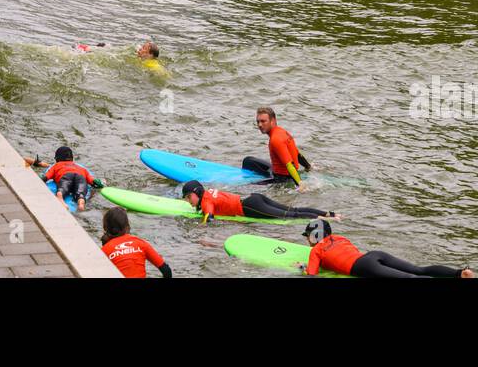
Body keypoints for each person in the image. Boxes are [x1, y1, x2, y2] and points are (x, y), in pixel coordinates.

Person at [299, 219, 472, 279]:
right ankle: (458, 274)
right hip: (374, 255)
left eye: (308, 235)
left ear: (315, 235)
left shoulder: (316, 251)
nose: (307, 239)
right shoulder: (339, 237)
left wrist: (301, 268)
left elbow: (312, 275)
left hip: (364, 267)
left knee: (409, 278)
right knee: (418, 270)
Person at [180, 180, 338, 223]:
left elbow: (209, 219)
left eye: (188, 197)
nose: (188, 201)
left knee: (290, 216)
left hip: (251, 207)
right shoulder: (209, 193)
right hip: (254, 198)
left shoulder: (206, 201)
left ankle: (323, 219)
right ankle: (330, 214)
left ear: (196, 193)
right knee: (294, 210)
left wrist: (198, 226)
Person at [245, 106, 312, 187]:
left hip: (282, 179)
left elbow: (290, 165)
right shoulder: (282, 132)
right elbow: (297, 154)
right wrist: (308, 167)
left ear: (272, 121)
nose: (259, 125)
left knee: (248, 186)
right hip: (281, 172)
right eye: (258, 121)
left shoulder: (275, 139)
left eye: (263, 121)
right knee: (248, 161)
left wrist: (300, 184)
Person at [101, 208, 171, 278]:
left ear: (105, 227)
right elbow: (166, 270)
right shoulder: (140, 243)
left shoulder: (104, 251)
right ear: (127, 226)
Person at [35, 146, 103, 212]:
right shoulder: (82, 168)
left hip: (66, 176)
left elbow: (46, 177)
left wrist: (41, 179)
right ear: (72, 158)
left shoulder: (56, 165)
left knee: (63, 187)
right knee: (80, 192)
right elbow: (92, 180)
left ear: (57, 159)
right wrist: (96, 182)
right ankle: (81, 202)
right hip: (80, 177)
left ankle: (60, 195)